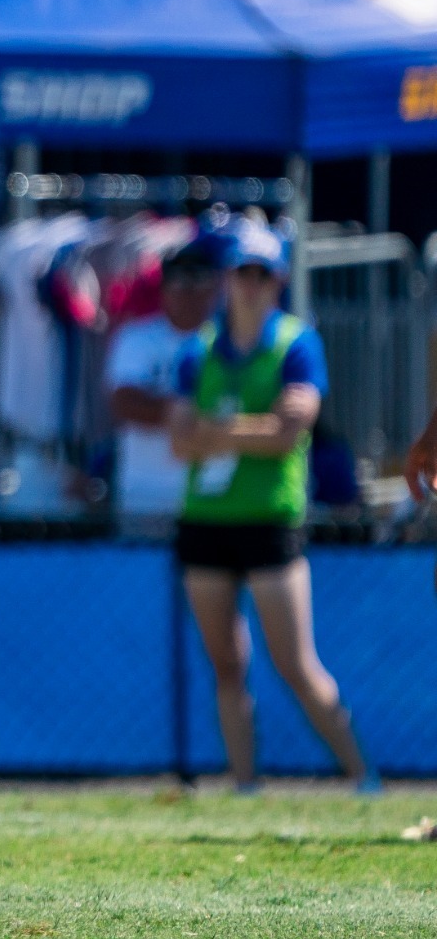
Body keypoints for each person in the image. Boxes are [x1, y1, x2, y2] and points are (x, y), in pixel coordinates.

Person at [168, 220, 377, 794]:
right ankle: (243, 784)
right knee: (227, 666)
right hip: (207, 523)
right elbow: (179, 437)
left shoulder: (295, 343)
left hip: (270, 522)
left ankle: (362, 776)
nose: (249, 284)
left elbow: (289, 430)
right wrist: (238, 432)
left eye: (261, 274)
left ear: (277, 280)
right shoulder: (199, 349)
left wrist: (219, 431)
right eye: (241, 273)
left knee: (296, 666)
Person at [105, 232, 225, 521]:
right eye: (180, 282)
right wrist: (185, 414)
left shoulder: (232, 342)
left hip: (216, 494)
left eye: (198, 282)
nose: (189, 292)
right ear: (164, 289)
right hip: (147, 495)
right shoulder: (136, 338)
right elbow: (124, 403)